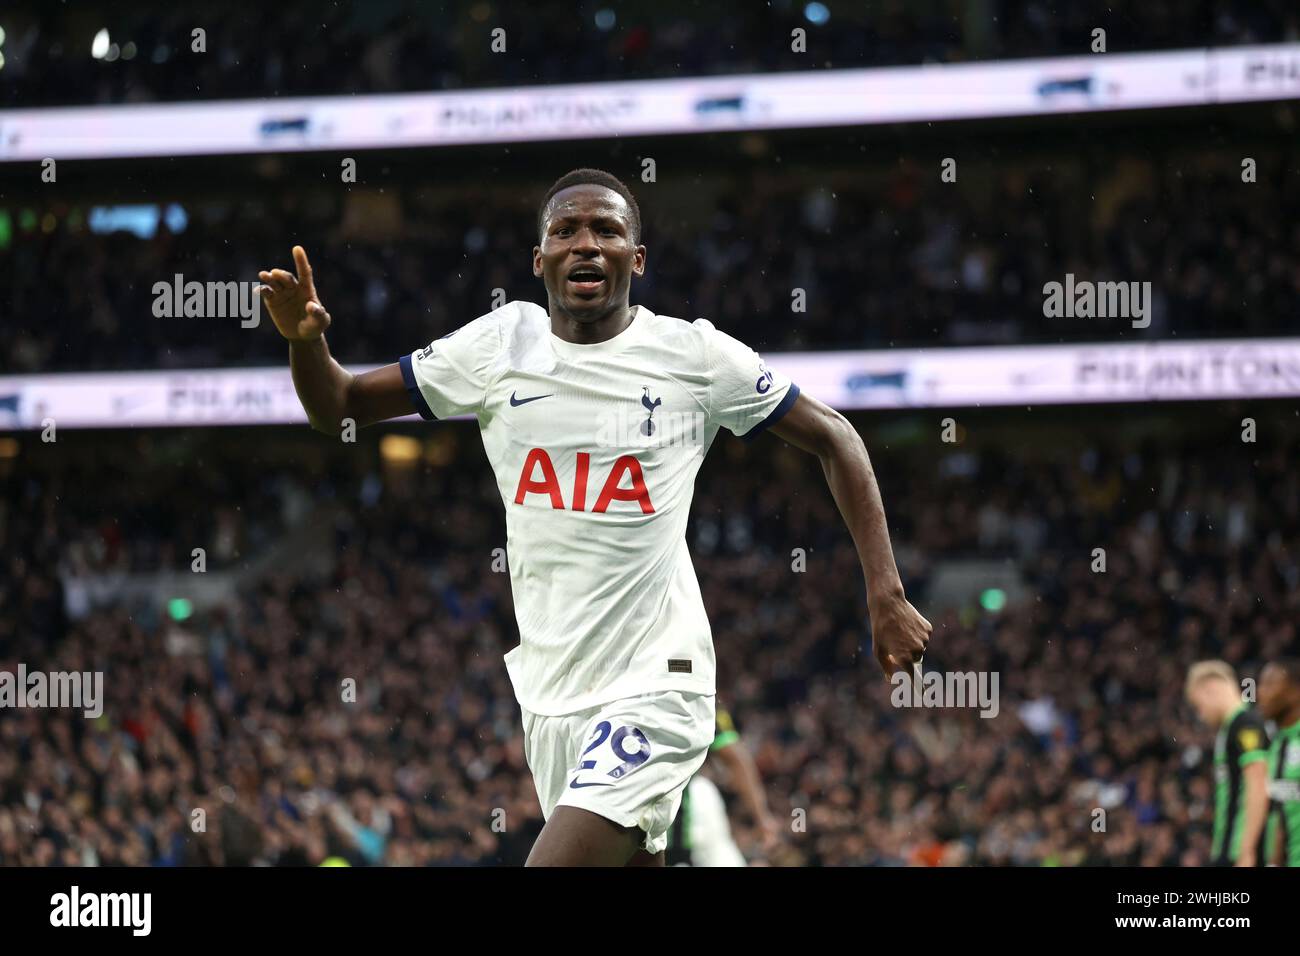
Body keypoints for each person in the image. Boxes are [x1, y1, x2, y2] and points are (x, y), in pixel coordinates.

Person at [256, 168, 931, 866]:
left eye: (607, 230)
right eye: (565, 230)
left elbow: (836, 437)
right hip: (552, 698)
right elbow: (336, 404)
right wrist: (304, 342)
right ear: (538, 259)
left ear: (635, 259)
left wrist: (885, 592)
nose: (587, 244)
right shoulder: (499, 347)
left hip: (658, 684)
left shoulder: (693, 356)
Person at [1184, 660, 1270, 866]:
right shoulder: (1229, 728)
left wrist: (1247, 851)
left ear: (1211, 689)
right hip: (1228, 848)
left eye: (1198, 705)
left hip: (1240, 851)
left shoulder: (1246, 724)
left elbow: (1258, 786)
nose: (1200, 714)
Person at [1257, 658, 1300, 867]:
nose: (1260, 693)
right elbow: (1279, 809)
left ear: (1295, 691)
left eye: (1270, 684)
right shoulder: (1276, 745)